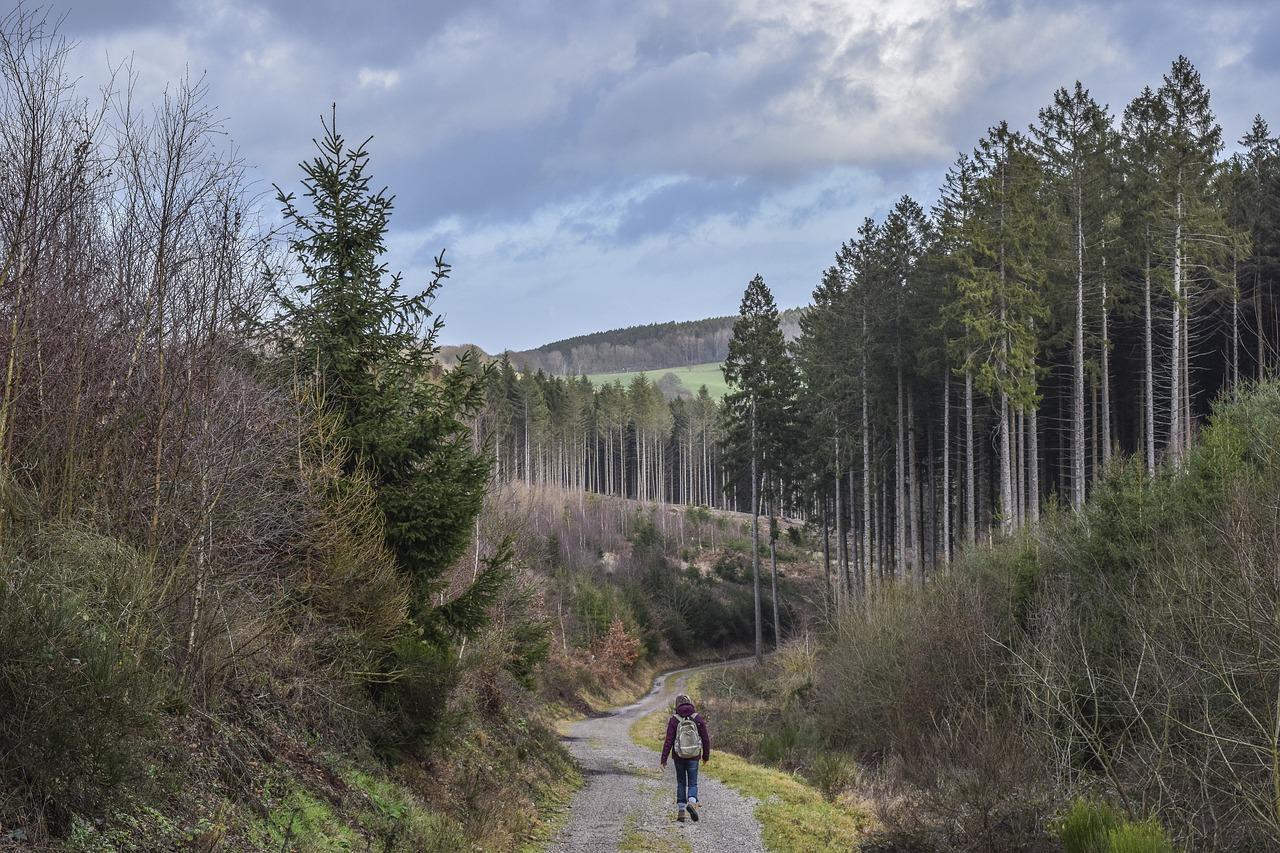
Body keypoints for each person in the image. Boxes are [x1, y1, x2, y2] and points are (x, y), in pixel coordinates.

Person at [659, 692, 711, 822]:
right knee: (693, 782)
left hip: (679, 756)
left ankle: (681, 812)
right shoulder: (697, 718)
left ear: (677, 704)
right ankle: (692, 802)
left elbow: (669, 741)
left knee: (681, 783)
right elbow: (705, 739)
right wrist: (705, 756)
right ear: (690, 702)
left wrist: (663, 759)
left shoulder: (674, 719)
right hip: (694, 756)